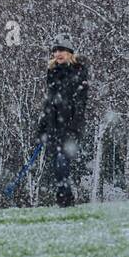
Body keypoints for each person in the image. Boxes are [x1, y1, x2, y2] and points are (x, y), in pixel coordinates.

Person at [37, 33, 88, 207]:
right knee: (57, 166)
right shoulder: (51, 73)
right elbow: (49, 102)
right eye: (56, 50)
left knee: (62, 161)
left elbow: (80, 103)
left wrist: (73, 126)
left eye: (62, 50)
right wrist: (43, 126)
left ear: (70, 53)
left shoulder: (79, 72)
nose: (58, 53)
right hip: (54, 126)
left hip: (70, 127)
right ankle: (66, 198)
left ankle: (64, 198)